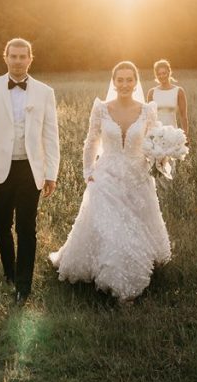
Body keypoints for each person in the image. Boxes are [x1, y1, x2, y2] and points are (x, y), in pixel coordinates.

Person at [51, 61, 171, 304]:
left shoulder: (148, 110)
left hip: (138, 176)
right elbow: (91, 141)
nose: (125, 84)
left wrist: (161, 157)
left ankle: (138, 263)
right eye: (120, 80)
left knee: (137, 223)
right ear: (113, 82)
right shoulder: (102, 108)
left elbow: (153, 141)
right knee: (113, 228)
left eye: (129, 80)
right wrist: (88, 171)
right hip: (106, 175)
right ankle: (121, 282)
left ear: (136, 82)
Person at [0, 38, 60, 303]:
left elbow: (51, 135)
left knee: (26, 227)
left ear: (30, 59)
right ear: (6, 57)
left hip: (30, 169)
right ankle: (9, 271)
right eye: (14, 56)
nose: (18, 61)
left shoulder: (45, 92)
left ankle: (24, 285)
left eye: (23, 56)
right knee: (0, 224)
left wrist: (51, 173)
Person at [146, 58, 188, 137]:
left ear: (169, 72)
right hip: (156, 134)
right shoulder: (152, 92)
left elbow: (183, 116)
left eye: (164, 73)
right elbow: (149, 118)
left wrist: (185, 135)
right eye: (159, 74)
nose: (161, 76)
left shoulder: (178, 91)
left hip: (172, 134)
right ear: (156, 75)